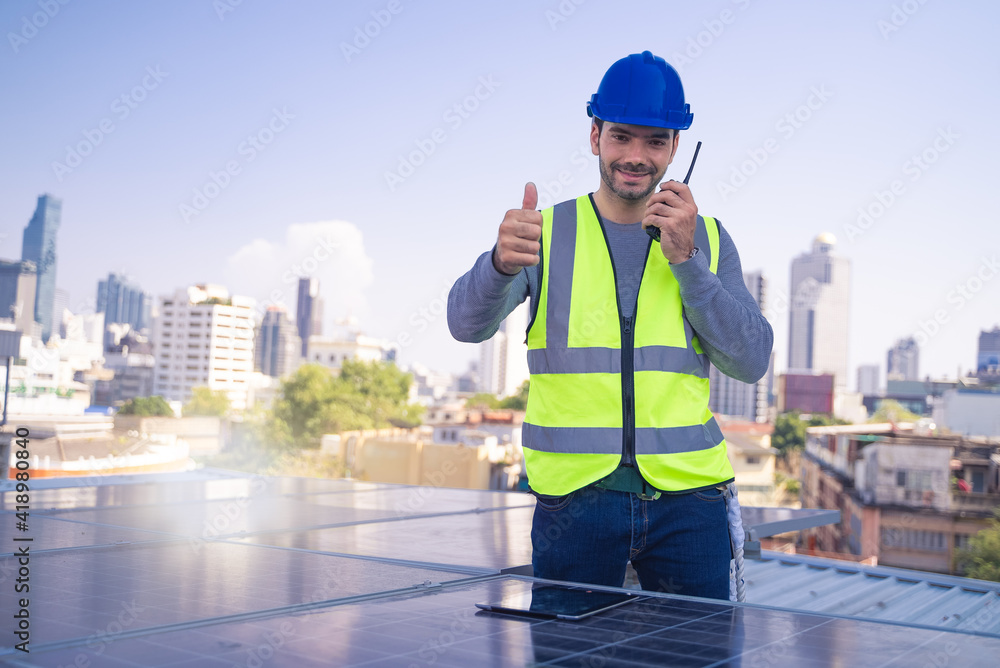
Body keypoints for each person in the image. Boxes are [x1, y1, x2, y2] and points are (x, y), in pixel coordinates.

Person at [447, 51, 773, 600]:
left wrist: (688, 261)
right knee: (567, 658)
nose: (635, 156)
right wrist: (499, 264)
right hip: (576, 501)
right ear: (595, 135)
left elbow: (750, 360)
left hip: (691, 502)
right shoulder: (545, 232)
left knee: (697, 660)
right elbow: (465, 324)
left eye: (653, 141)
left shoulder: (709, 239)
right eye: (621, 136)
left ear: (674, 148)